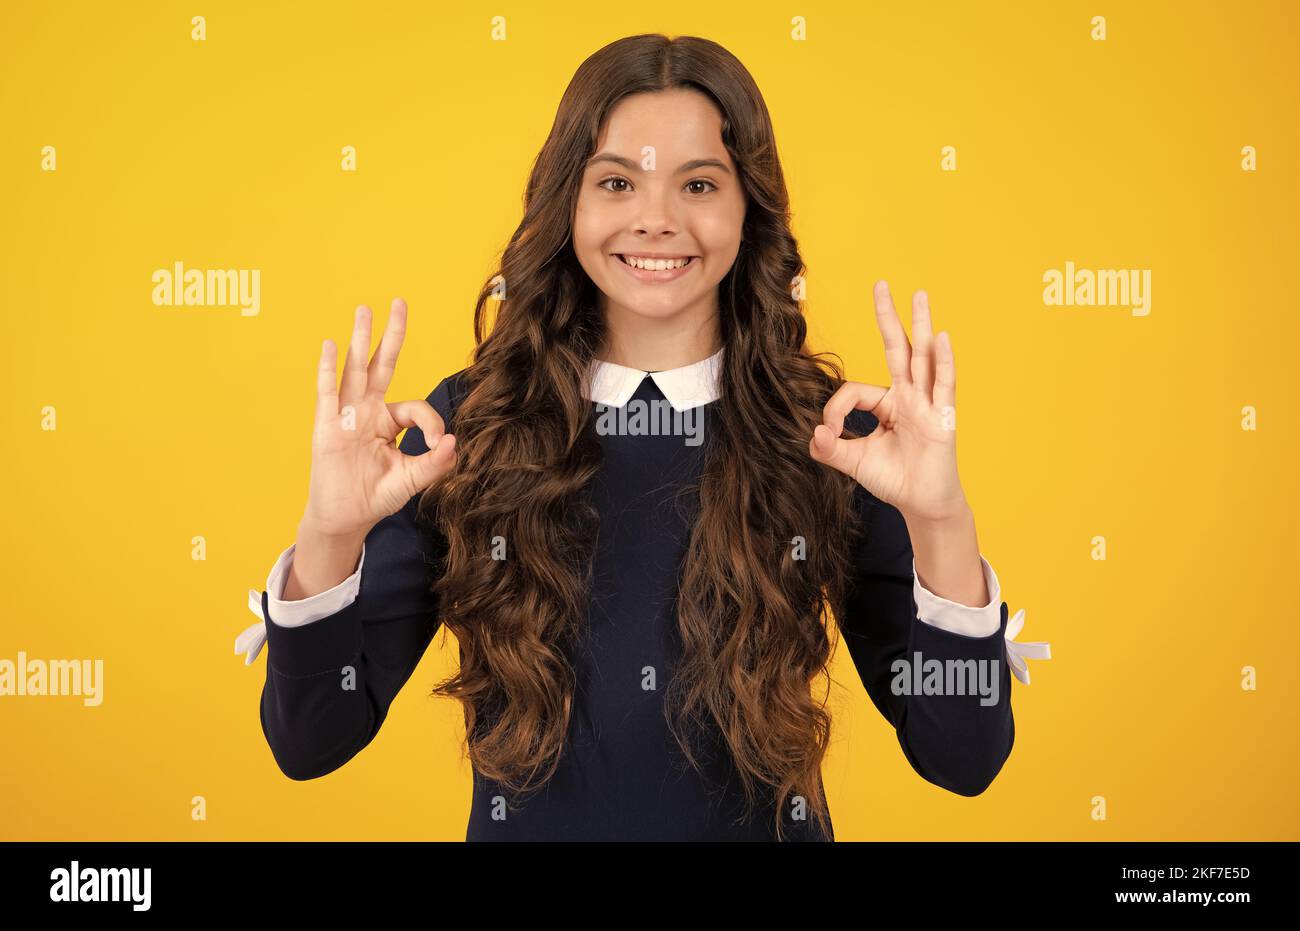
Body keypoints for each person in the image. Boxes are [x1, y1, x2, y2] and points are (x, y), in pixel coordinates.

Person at [233, 33, 1050, 841]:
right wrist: (330, 535)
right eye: (617, 181)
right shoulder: (465, 426)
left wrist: (941, 521)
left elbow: (962, 757)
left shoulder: (836, 434)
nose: (656, 220)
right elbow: (312, 741)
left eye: (699, 183)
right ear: (569, 203)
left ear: (748, 209)